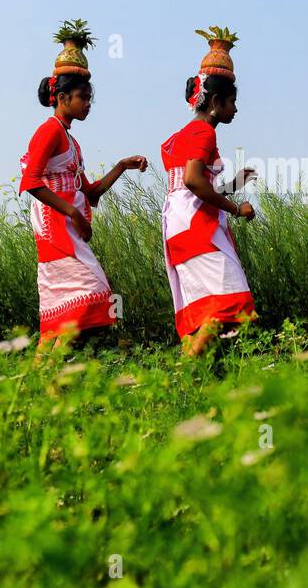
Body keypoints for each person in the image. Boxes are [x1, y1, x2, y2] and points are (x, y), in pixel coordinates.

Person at [19, 21, 147, 348]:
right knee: (94, 290)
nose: (88, 104)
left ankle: (52, 374)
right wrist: (72, 214)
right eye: (83, 97)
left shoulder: (70, 141)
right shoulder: (49, 131)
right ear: (62, 97)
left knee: (78, 300)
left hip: (68, 226)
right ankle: (69, 365)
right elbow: (31, 181)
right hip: (55, 226)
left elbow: (90, 194)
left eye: (89, 98)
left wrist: (121, 166)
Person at [159, 27, 257, 354]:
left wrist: (231, 185)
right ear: (215, 102)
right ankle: (187, 370)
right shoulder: (204, 133)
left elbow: (190, 185)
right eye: (232, 103)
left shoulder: (182, 134)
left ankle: (197, 380)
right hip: (198, 229)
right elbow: (193, 181)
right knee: (231, 302)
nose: (236, 110)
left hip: (181, 225)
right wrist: (236, 208)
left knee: (210, 308)